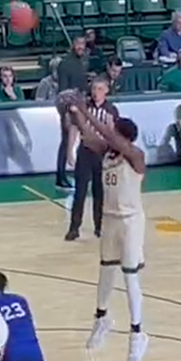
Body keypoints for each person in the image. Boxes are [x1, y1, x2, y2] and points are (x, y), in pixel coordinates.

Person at [67, 98, 149, 361]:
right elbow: (90, 136)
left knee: (130, 279)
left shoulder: (135, 155)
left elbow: (105, 133)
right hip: (111, 220)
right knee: (105, 273)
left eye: (114, 130)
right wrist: (75, 112)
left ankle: (138, 334)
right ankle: (102, 318)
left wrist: (86, 109)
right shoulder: (107, 152)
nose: (109, 131)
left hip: (131, 221)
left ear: (123, 136)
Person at [65, 78, 119, 242]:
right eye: (95, 88)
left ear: (107, 91)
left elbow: (113, 134)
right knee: (80, 192)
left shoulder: (111, 110)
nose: (97, 92)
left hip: (101, 153)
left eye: (100, 89)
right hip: (85, 151)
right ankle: (74, 228)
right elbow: (74, 128)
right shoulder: (84, 106)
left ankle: (99, 227)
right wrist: (69, 150)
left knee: (100, 192)